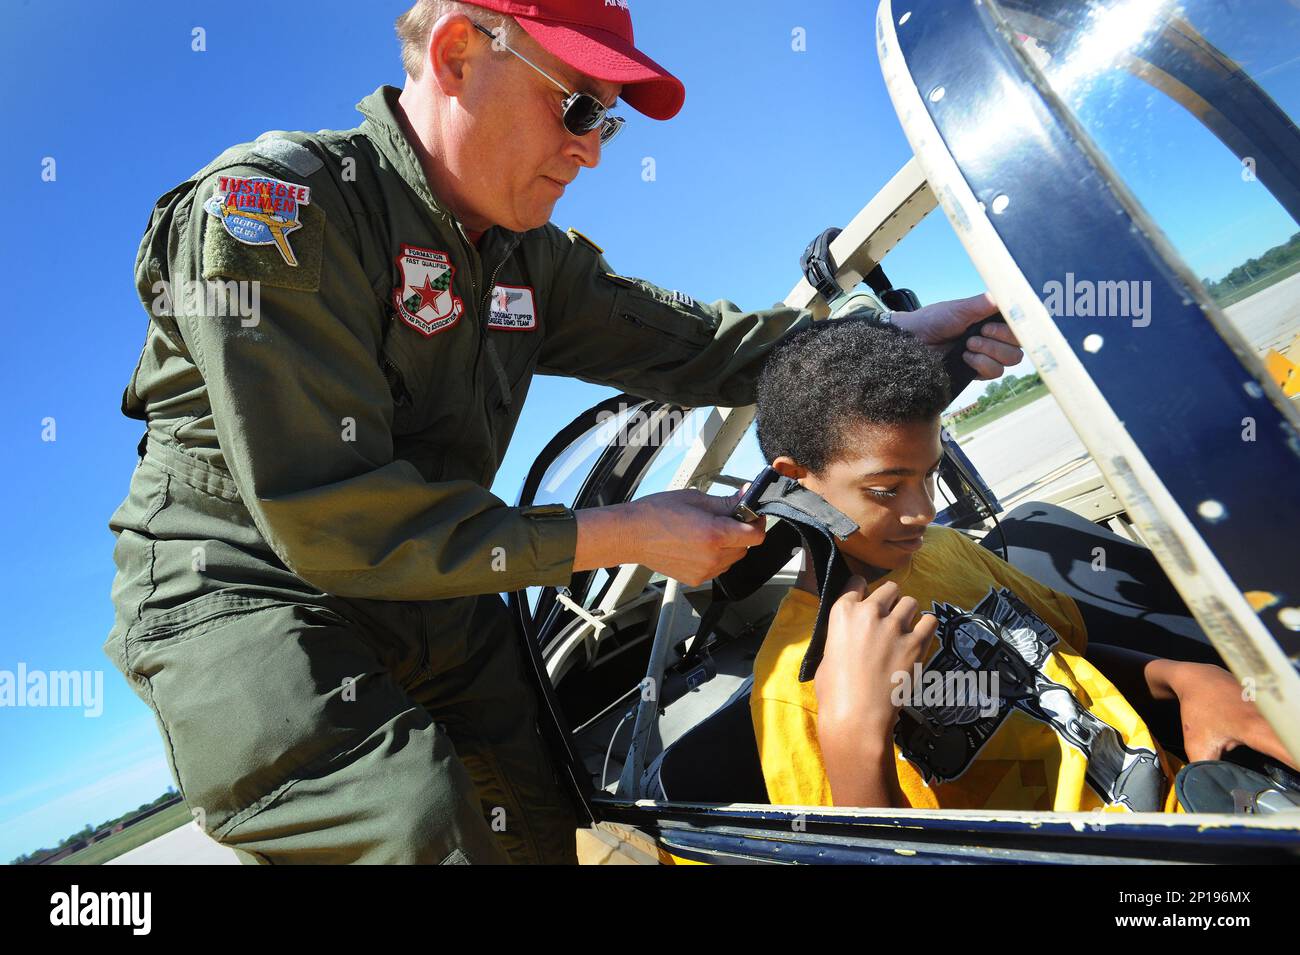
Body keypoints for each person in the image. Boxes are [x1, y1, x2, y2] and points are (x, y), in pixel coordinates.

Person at [104, 0, 1023, 864]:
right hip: (247, 585)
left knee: (536, 807)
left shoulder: (526, 260)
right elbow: (332, 516)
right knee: (416, 822)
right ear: (458, 53)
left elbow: (707, 348)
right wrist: (629, 533)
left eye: (607, 123)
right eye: (577, 106)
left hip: (435, 572)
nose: (590, 152)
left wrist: (896, 332)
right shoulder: (277, 215)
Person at [749, 316, 1294, 812]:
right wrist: (855, 733)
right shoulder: (794, 683)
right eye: (887, 489)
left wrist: (1184, 677)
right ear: (797, 478)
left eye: (928, 476)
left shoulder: (944, 548)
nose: (924, 510)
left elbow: (1065, 658)